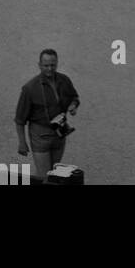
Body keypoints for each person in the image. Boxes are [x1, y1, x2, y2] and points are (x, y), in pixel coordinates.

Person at [14, 50, 80, 180]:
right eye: (46, 65)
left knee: (54, 174)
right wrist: (22, 143)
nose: (50, 69)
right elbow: (20, 120)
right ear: (39, 65)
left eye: (53, 65)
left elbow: (74, 97)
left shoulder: (64, 80)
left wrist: (73, 106)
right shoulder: (29, 88)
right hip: (40, 136)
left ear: (57, 63)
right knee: (44, 176)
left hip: (60, 133)